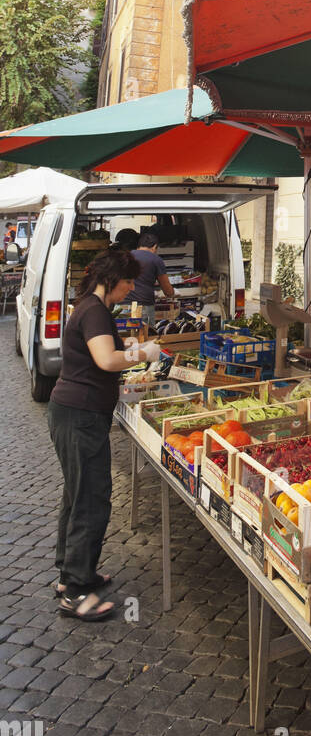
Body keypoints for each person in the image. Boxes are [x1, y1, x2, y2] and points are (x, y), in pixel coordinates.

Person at [47, 247, 162, 622]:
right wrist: (143, 353)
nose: (131, 289)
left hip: (75, 413)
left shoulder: (90, 307)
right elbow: (106, 360)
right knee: (91, 499)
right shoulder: (95, 310)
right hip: (80, 416)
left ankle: (72, 573)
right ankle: (77, 591)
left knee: (76, 494)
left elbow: (105, 349)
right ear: (111, 279)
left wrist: (128, 345)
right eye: (128, 281)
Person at [132, 230, 174, 327]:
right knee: (145, 339)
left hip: (122, 306)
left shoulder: (125, 256)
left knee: (124, 338)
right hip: (143, 307)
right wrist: (173, 293)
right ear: (154, 247)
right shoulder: (155, 259)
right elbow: (167, 291)